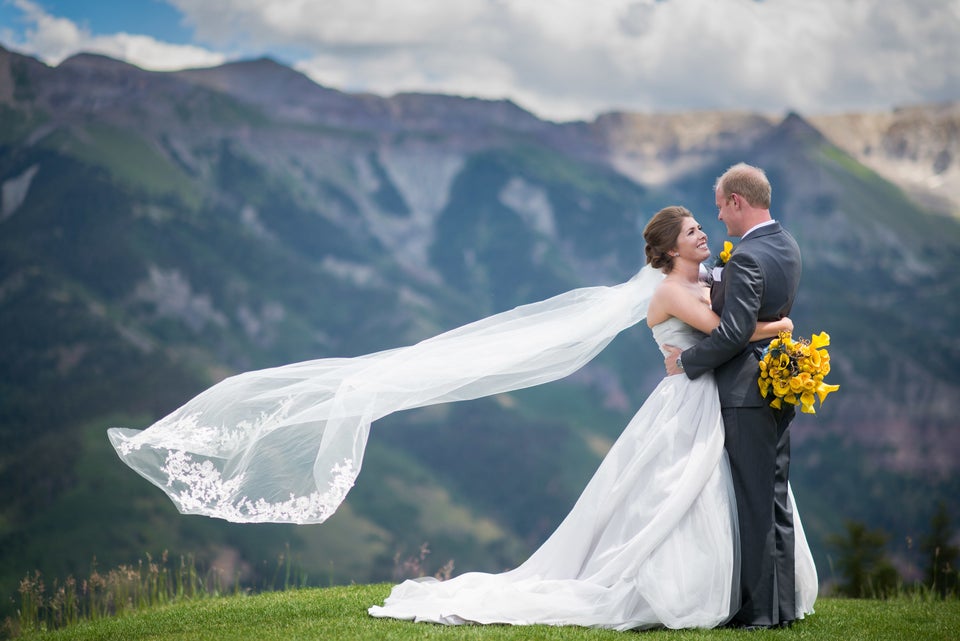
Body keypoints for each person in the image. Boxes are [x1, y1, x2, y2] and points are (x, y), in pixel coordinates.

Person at [367, 205, 817, 629]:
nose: (703, 233)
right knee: (674, 490)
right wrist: (781, 326)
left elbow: (730, 317)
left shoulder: (709, 279)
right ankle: (680, 589)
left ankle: (731, 586)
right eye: (691, 231)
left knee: (713, 489)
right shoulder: (670, 292)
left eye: (701, 226)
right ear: (671, 250)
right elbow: (727, 332)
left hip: (710, 396)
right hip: (686, 399)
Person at [664, 163, 803, 628]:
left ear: (737, 201)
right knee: (774, 494)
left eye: (721, 206)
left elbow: (733, 334)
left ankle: (760, 611)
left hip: (746, 391)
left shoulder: (745, 257)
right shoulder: (786, 244)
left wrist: (685, 363)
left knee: (751, 500)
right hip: (780, 386)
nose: (719, 217)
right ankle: (782, 606)